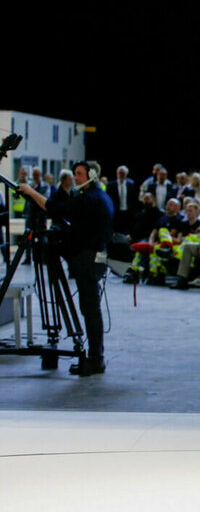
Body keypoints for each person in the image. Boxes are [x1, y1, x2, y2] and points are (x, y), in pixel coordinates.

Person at [18, 160, 113, 375]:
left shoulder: (89, 199)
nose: (76, 178)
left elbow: (53, 208)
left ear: (91, 175)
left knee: (90, 309)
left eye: (79, 174)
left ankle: (95, 358)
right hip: (95, 259)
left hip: (87, 260)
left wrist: (31, 192)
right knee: (91, 308)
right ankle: (95, 356)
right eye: (75, 173)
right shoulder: (100, 196)